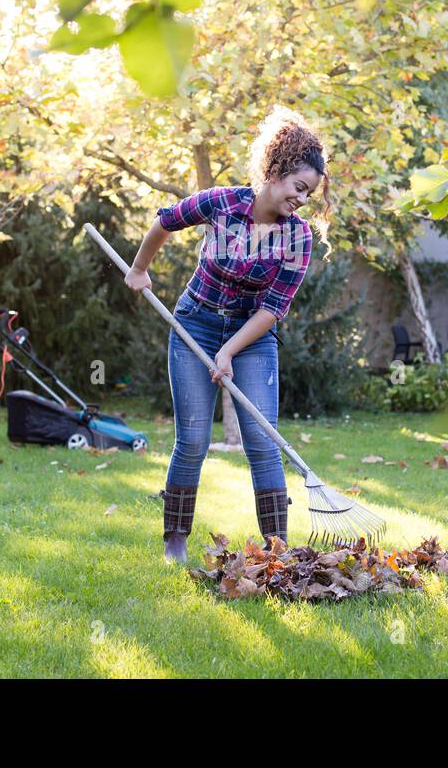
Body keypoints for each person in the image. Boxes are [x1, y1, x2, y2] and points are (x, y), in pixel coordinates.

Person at [123, 105, 333, 562]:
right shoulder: (221, 203)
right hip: (195, 321)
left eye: (309, 194)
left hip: (251, 336)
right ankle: (175, 540)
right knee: (194, 437)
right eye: (299, 187)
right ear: (275, 172)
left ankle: (277, 550)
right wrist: (139, 270)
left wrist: (230, 351)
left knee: (263, 441)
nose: (302, 199)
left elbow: (272, 308)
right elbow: (166, 219)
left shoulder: (298, 237)